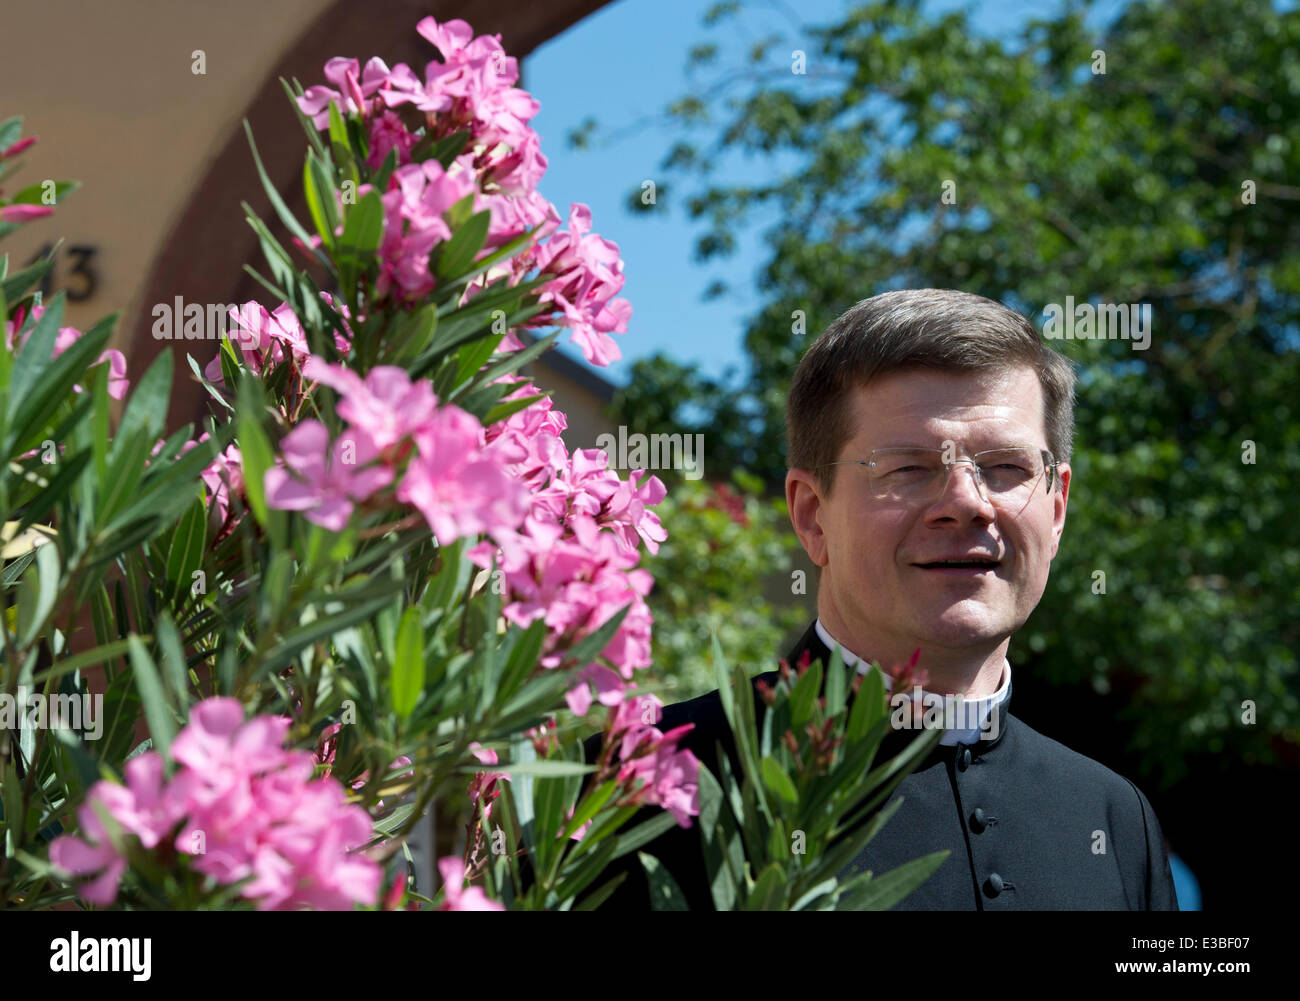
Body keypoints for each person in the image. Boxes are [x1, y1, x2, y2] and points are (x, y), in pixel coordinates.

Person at [579, 288, 1178, 910]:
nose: (968, 503)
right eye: (908, 469)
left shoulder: (1114, 818)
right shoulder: (638, 778)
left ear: (1057, 510)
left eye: (1006, 467)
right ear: (812, 517)